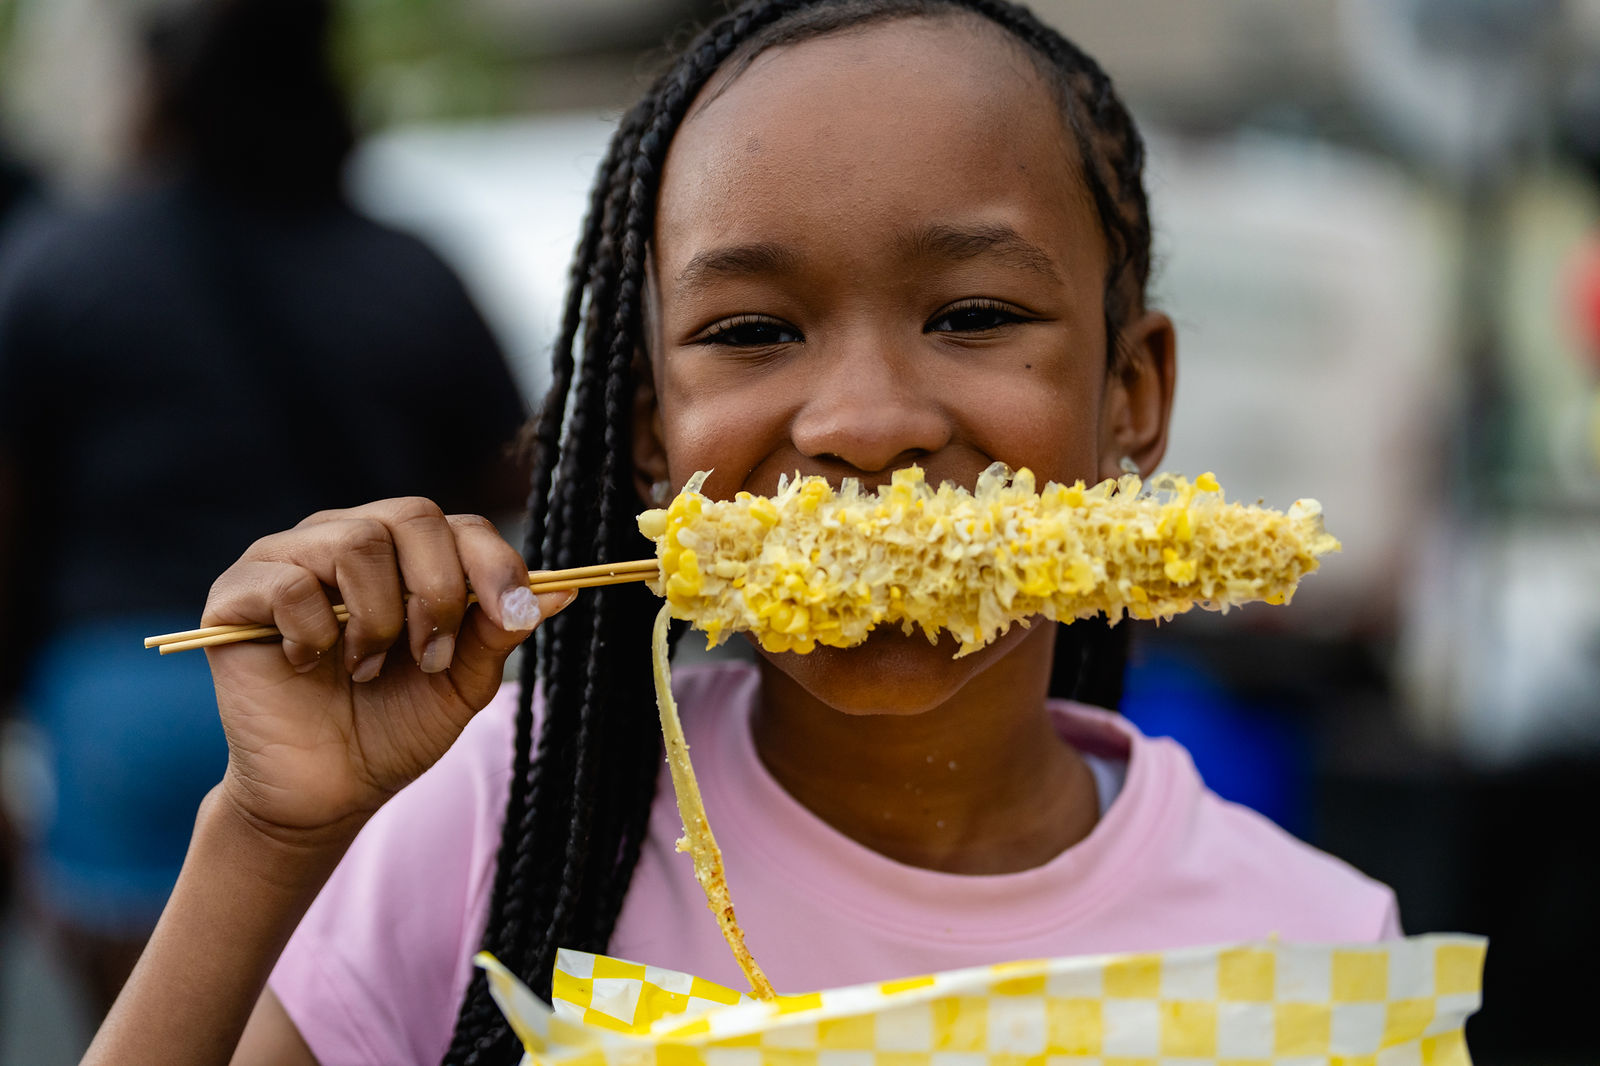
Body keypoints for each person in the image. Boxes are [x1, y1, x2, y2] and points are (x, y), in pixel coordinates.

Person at [80, 2, 1401, 1064]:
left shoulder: (1314, 956)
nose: (869, 423)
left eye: (975, 314)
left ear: (1133, 393)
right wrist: (268, 837)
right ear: (650, 432)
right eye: (754, 330)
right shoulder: (488, 823)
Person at [0, 0, 527, 1017]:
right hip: (386, 674)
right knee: (382, 1015)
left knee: (155, 1019)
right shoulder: (405, 267)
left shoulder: (64, 264)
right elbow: (507, 471)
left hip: (130, 688)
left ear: (163, 100)